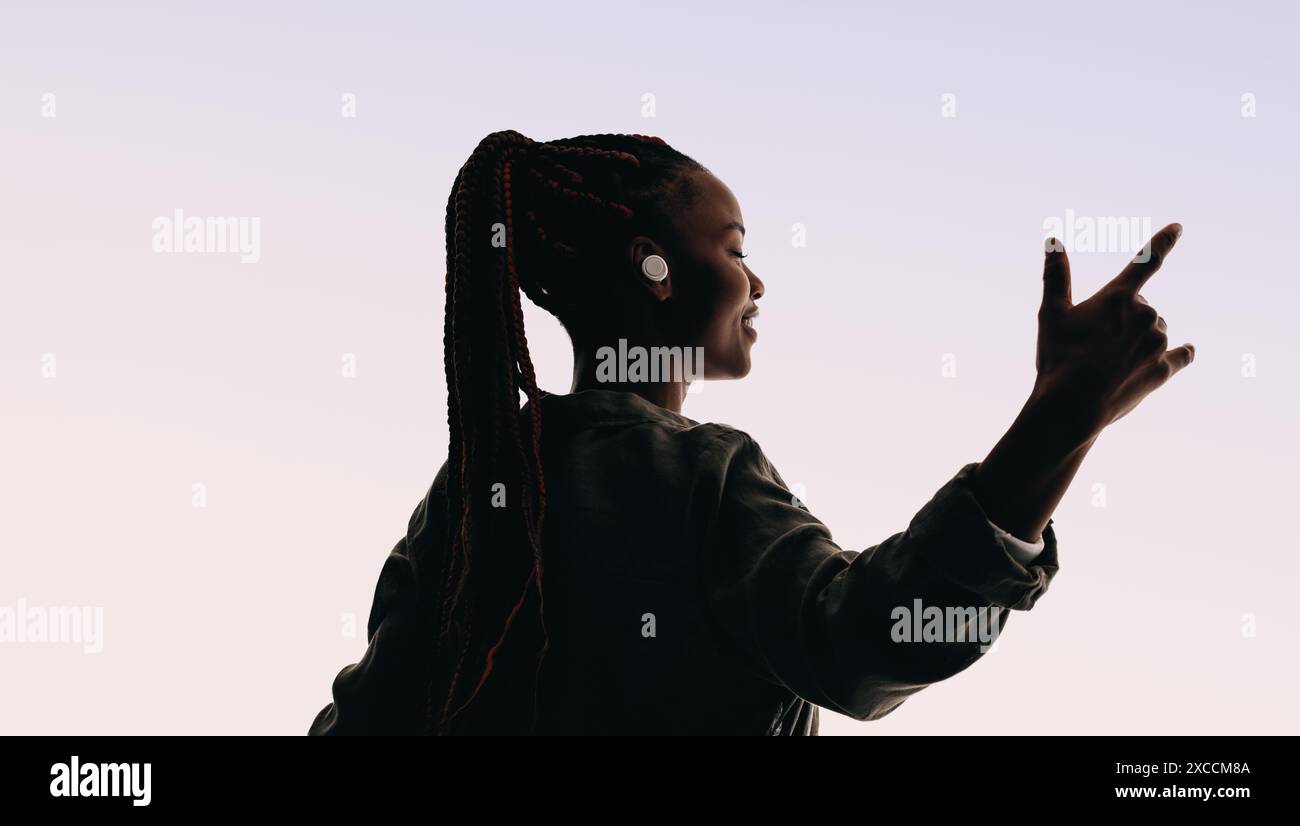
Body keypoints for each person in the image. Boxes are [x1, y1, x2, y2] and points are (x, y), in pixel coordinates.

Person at [308, 130, 1195, 735]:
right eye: (734, 248)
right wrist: (1060, 420)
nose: (756, 281)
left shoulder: (474, 489)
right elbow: (867, 642)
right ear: (652, 269)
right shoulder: (697, 472)